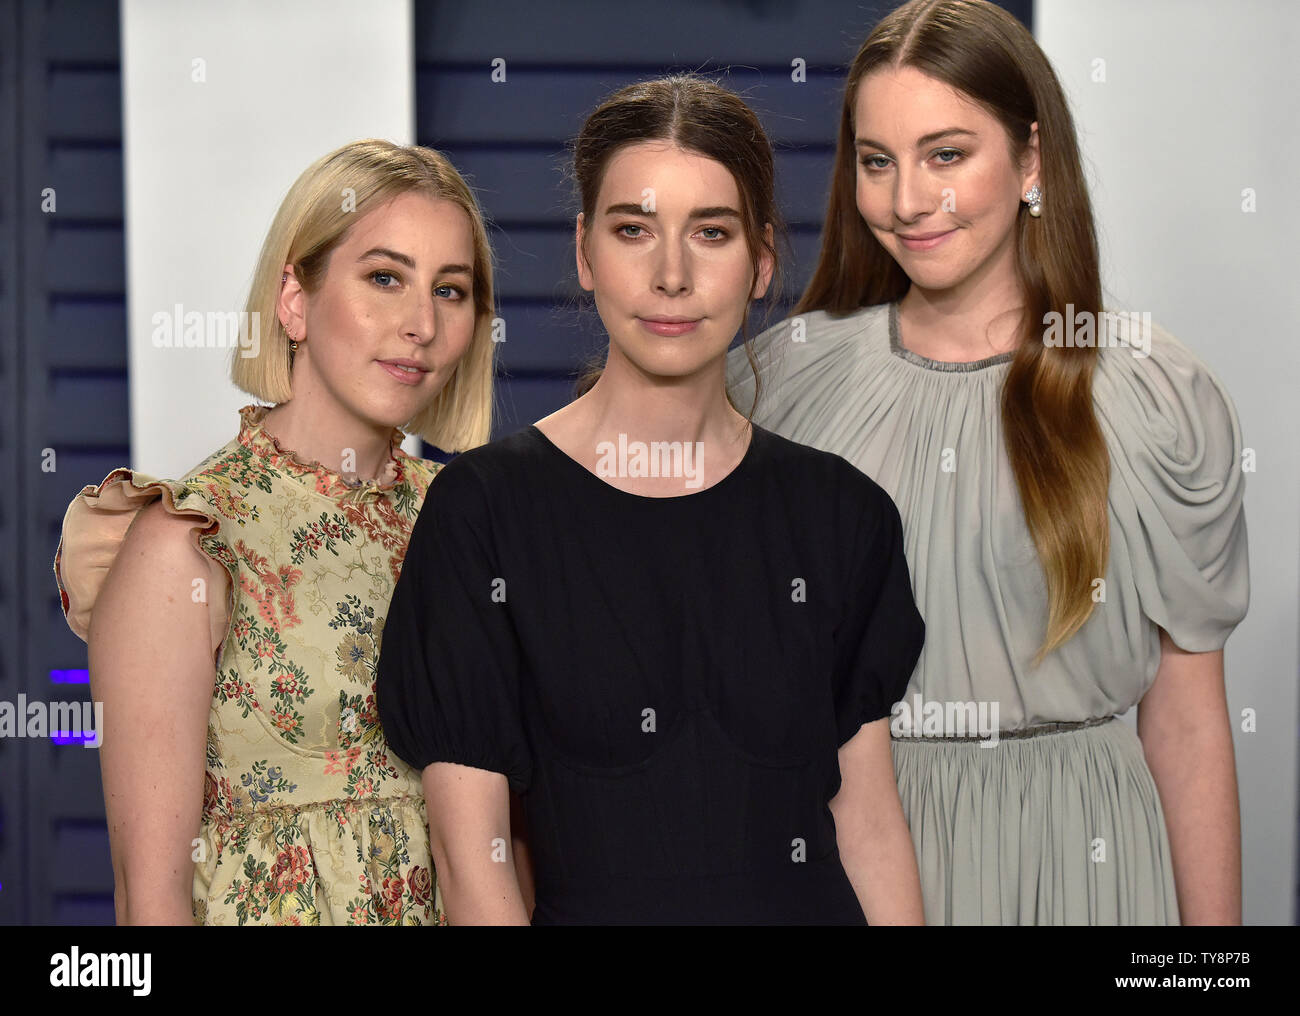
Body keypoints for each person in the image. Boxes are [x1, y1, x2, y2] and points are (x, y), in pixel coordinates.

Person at [726, 0, 1250, 925]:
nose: (907, 201)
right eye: (878, 162)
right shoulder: (782, 385)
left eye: (947, 154)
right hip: (849, 854)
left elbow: (1188, 721)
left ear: (1033, 159)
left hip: (1088, 864)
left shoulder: (1151, 394)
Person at [375, 74, 926, 925]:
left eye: (710, 233)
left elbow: (870, 824)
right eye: (634, 231)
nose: (671, 275)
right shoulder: (485, 515)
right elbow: (472, 861)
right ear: (587, 256)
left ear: (762, 263)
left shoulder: (842, 517)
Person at [54, 139, 497, 925]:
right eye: (385, 278)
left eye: (451, 291)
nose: (421, 323)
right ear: (294, 298)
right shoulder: (189, 538)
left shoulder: (469, 518)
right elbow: (149, 900)